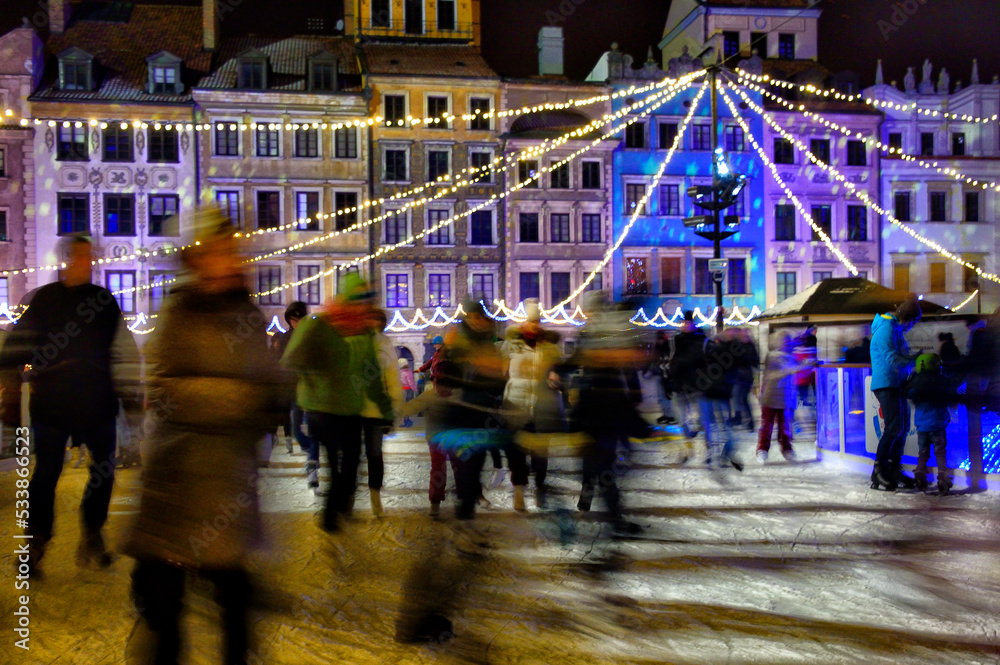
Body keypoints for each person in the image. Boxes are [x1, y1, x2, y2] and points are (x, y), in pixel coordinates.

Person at [124, 208, 289, 665]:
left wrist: (259, 399)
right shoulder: (179, 313)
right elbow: (165, 388)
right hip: (175, 478)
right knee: (164, 607)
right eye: (221, 248)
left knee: (234, 605)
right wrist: (237, 399)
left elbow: (267, 392)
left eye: (234, 248)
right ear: (199, 256)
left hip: (228, 482)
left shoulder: (249, 316)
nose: (232, 256)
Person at [0, 235, 140, 574]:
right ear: (67, 260)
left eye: (90, 257)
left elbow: (122, 350)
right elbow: (17, 347)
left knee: (103, 472)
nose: (86, 262)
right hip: (53, 403)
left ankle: (93, 533)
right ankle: (36, 541)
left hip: (97, 402)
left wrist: (132, 395)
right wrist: (9, 387)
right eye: (80, 256)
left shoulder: (104, 301)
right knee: (46, 475)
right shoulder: (45, 300)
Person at [281, 272, 394, 532]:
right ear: (346, 298)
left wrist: (386, 409)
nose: (362, 307)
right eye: (358, 300)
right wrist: (310, 380)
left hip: (350, 409)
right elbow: (291, 361)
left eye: (365, 301)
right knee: (337, 467)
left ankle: (339, 513)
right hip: (321, 409)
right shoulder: (316, 324)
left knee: (351, 467)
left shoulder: (364, 333)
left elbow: (372, 374)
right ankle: (332, 519)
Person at [431, 301, 508, 522]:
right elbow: (447, 375)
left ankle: (467, 514)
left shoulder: (491, 346)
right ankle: (465, 515)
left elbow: (498, 381)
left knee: (473, 467)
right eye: (473, 317)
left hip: (482, 415)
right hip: (460, 413)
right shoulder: (458, 343)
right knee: (466, 466)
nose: (477, 321)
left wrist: (494, 385)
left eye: (480, 317)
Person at [501, 302, 564, 511]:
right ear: (524, 321)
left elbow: (560, 368)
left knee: (540, 452)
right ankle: (519, 491)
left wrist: (556, 377)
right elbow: (499, 367)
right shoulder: (512, 342)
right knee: (517, 451)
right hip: (516, 404)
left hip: (541, 406)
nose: (535, 325)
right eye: (532, 321)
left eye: (538, 321)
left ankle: (539, 487)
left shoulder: (549, 345)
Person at [869, 296, 922, 491]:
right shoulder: (886, 329)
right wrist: (913, 362)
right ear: (907, 317)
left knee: (901, 427)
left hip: (896, 384)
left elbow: (899, 358)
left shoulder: (895, 329)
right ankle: (879, 470)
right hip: (885, 384)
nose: (912, 326)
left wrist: (912, 360)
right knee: (893, 428)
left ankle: (893, 468)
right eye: (914, 321)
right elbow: (892, 358)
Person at [361, 309, 405, 518]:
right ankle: (349, 498)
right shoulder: (357, 340)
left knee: (374, 453)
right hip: (352, 408)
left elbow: (392, 378)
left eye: (377, 321)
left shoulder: (385, 345)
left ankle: (374, 494)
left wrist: (393, 408)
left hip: (375, 410)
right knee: (351, 455)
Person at [757, 333, 814, 463]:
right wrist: (798, 367)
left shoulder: (792, 358)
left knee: (786, 427)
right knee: (767, 426)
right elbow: (775, 374)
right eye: (785, 342)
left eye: (789, 342)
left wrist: (808, 365)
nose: (787, 345)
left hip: (786, 397)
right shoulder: (772, 357)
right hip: (771, 396)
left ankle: (787, 449)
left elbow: (797, 371)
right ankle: (763, 450)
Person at [904, 353, 956, 494]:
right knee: (940, 452)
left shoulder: (915, 382)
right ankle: (942, 476)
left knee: (923, 452)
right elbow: (951, 392)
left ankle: (920, 472)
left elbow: (908, 393)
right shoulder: (941, 381)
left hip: (922, 425)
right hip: (938, 424)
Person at [699, 328, 744, 478]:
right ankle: (724, 452)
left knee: (712, 424)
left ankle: (715, 453)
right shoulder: (733, 353)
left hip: (711, 392)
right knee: (723, 425)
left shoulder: (712, 351)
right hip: (721, 393)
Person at [272, 301, 312, 463]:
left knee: (314, 426)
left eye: (299, 319)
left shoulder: (311, 336)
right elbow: (281, 361)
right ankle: (309, 446)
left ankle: (314, 451)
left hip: (310, 387)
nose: (296, 323)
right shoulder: (285, 337)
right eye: (293, 320)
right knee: (296, 427)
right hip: (294, 387)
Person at [668, 311, 706, 460]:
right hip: (680, 382)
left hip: (696, 383)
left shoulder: (701, 338)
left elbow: (703, 360)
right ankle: (689, 444)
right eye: (684, 323)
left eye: (688, 323)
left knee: (701, 416)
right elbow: (674, 359)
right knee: (681, 417)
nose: (685, 325)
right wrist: (670, 378)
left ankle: (703, 444)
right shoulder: (677, 339)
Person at [729, 327, 759, 432]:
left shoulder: (750, 347)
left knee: (742, 398)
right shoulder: (736, 345)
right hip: (738, 376)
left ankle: (749, 421)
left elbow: (754, 361)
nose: (744, 337)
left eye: (745, 335)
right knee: (736, 396)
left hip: (745, 376)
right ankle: (739, 418)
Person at [398, 357, 416, 428]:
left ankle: (402, 421)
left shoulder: (398, 372)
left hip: (401, 390)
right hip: (408, 390)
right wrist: (415, 389)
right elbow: (411, 382)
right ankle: (407, 420)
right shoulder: (408, 372)